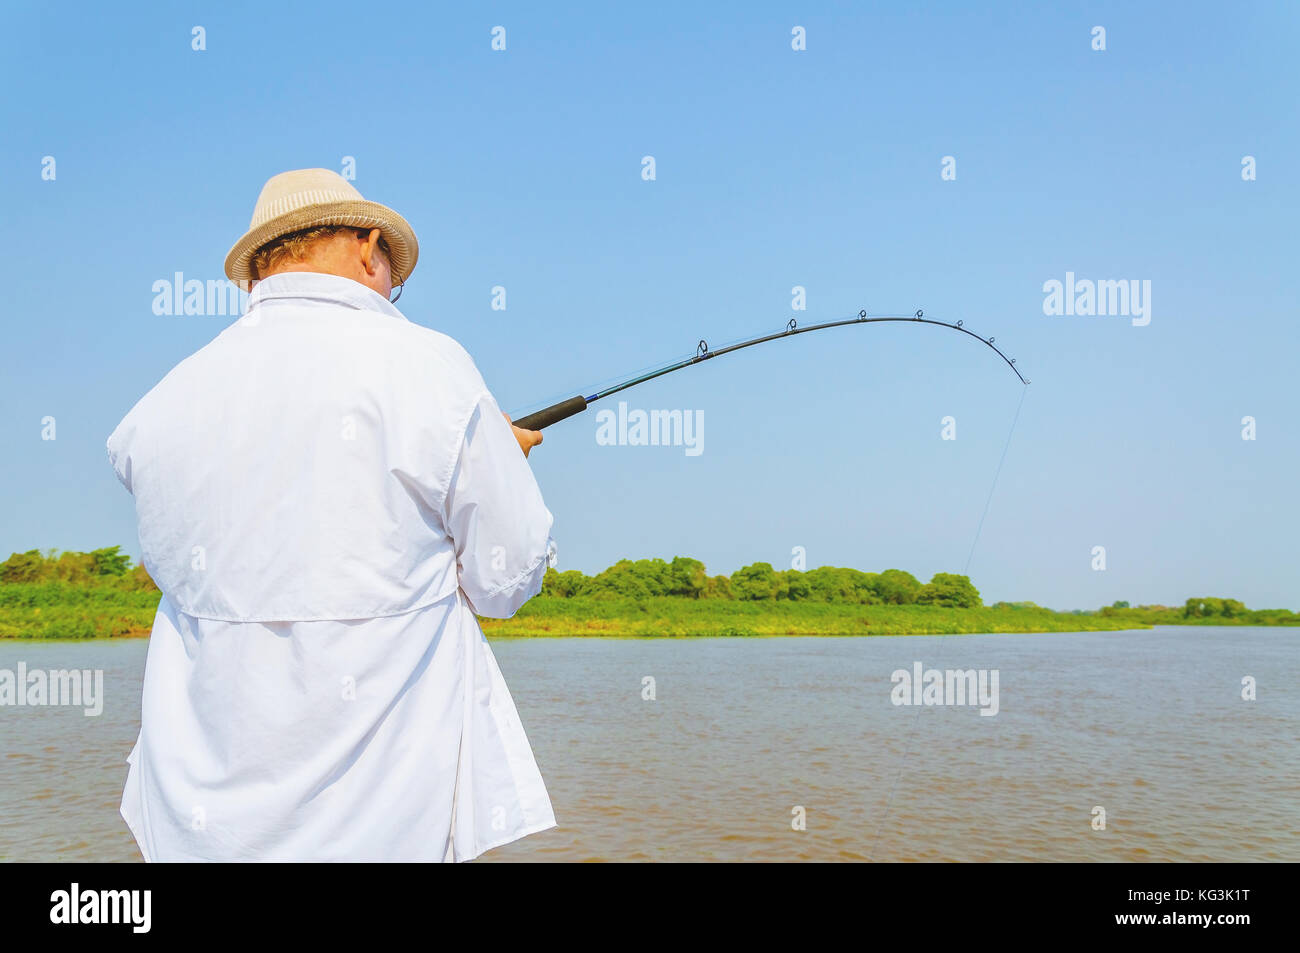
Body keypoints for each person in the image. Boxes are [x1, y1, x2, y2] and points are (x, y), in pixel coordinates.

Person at [107, 168, 557, 861]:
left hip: (193, 832)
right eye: (390, 273)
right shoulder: (432, 368)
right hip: (385, 828)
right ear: (368, 246)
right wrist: (499, 453)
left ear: (259, 267)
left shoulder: (159, 411)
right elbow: (507, 578)